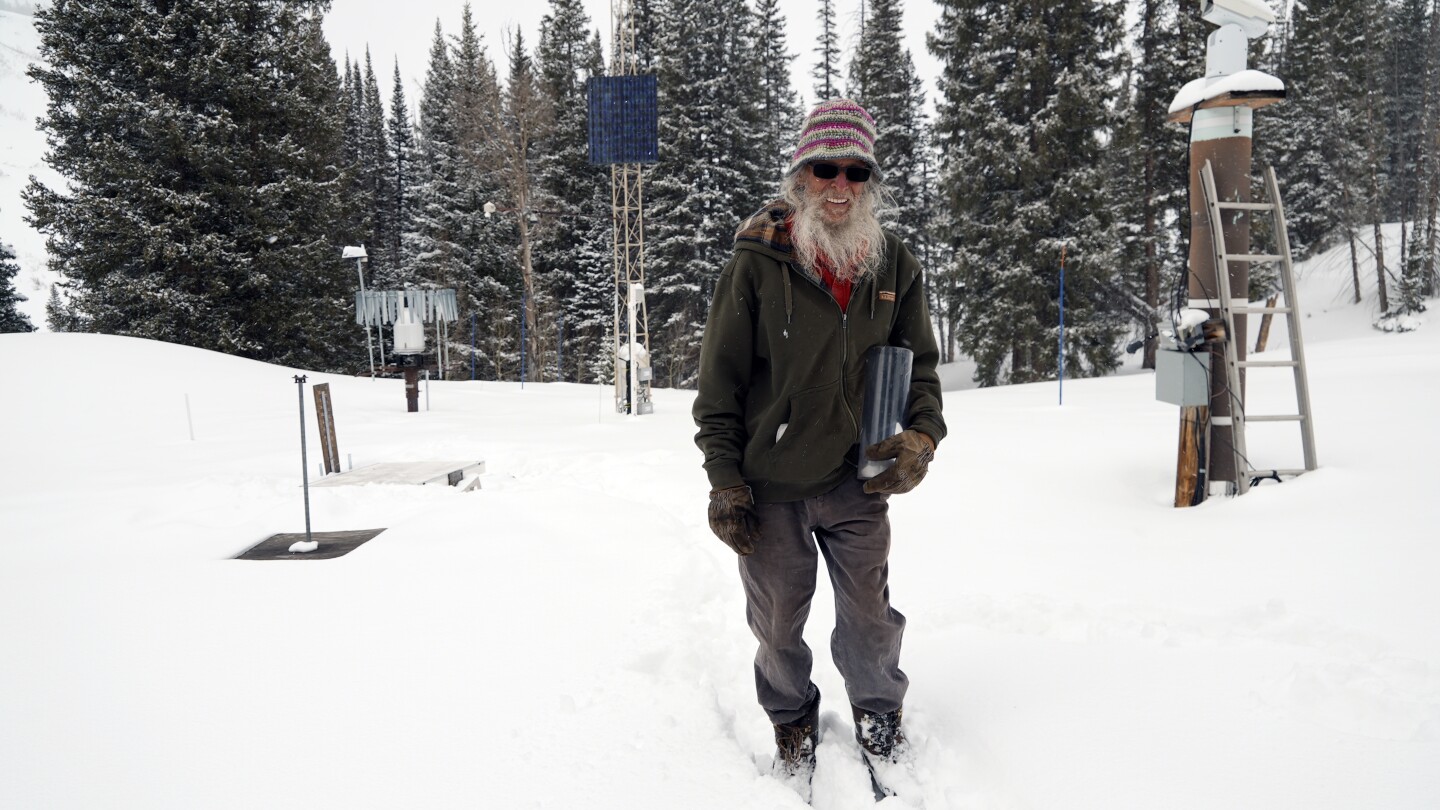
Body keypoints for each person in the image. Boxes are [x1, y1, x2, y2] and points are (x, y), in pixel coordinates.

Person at [691, 98, 946, 793]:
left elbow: (918, 366)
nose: (840, 186)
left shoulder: (894, 264)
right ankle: (792, 721)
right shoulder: (758, 260)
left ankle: (877, 712)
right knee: (777, 622)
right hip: (770, 483)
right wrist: (725, 482)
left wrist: (920, 436)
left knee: (868, 613)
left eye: (855, 172)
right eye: (825, 169)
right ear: (801, 176)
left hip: (858, 479)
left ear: (869, 181)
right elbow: (719, 386)